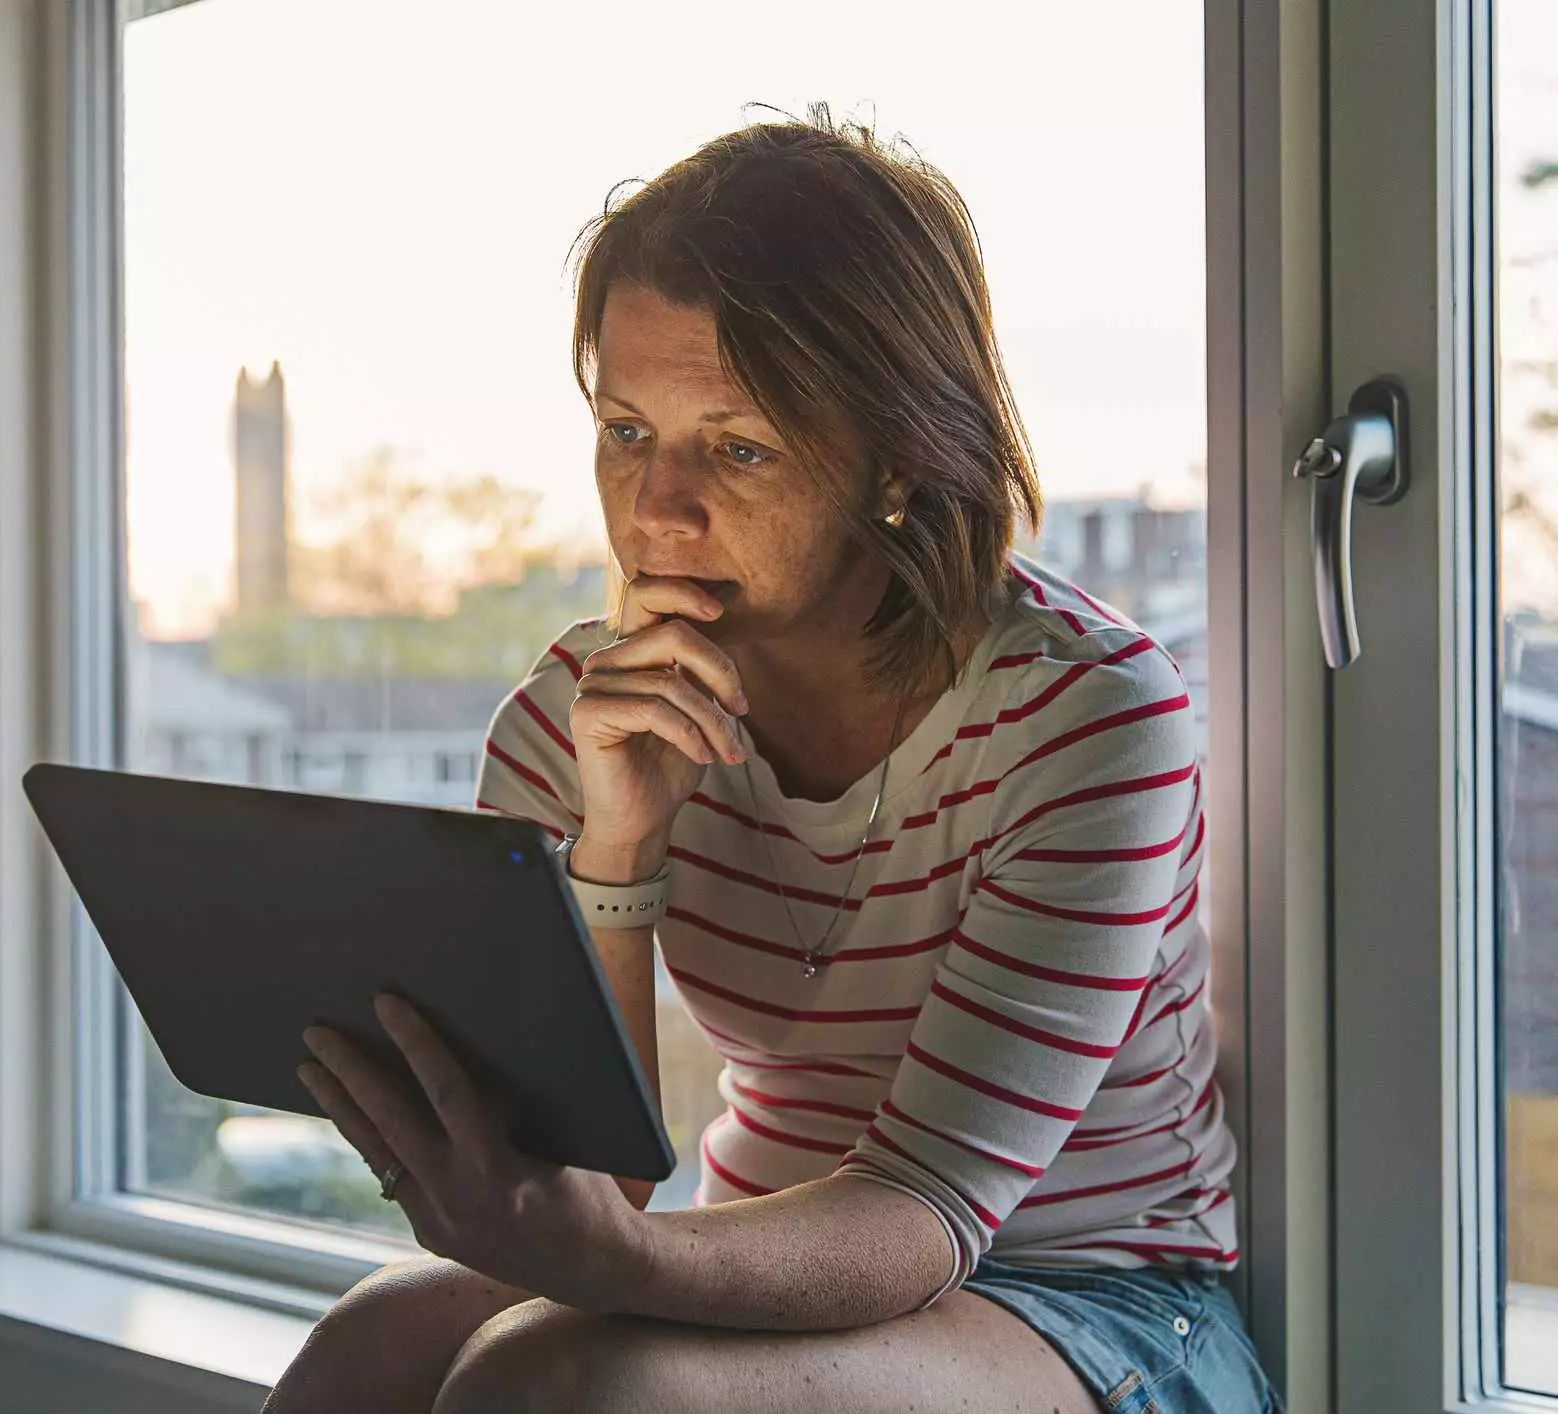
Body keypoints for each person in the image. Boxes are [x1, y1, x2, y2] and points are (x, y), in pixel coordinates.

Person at [267, 106, 1278, 1414]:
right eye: (627, 429)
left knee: (558, 1381)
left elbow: (920, 1211)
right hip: (761, 1245)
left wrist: (619, 1257)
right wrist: (615, 850)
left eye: (737, 448)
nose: (657, 506)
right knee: (374, 1341)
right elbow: (600, 1181)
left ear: (901, 463)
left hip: (1092, 1301)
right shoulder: (580, 709)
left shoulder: (1089, 718)